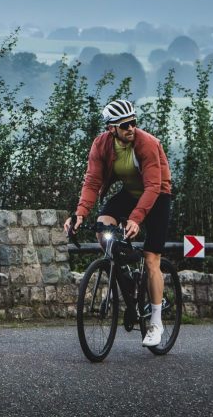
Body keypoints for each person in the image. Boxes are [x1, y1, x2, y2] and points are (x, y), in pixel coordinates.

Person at [63, 98, 174, 347]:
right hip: (129, 193)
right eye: (125, 125)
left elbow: (153, 186)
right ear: (111, 129)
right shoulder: (102, 145)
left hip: (157, 196)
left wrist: (136, 219)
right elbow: (92, 181)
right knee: (103, 229)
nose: (131, 128)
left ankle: (155, 323)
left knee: (151, 259)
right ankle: (124, 268)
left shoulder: (147, 144)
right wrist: (80, 214)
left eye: (133, 122)